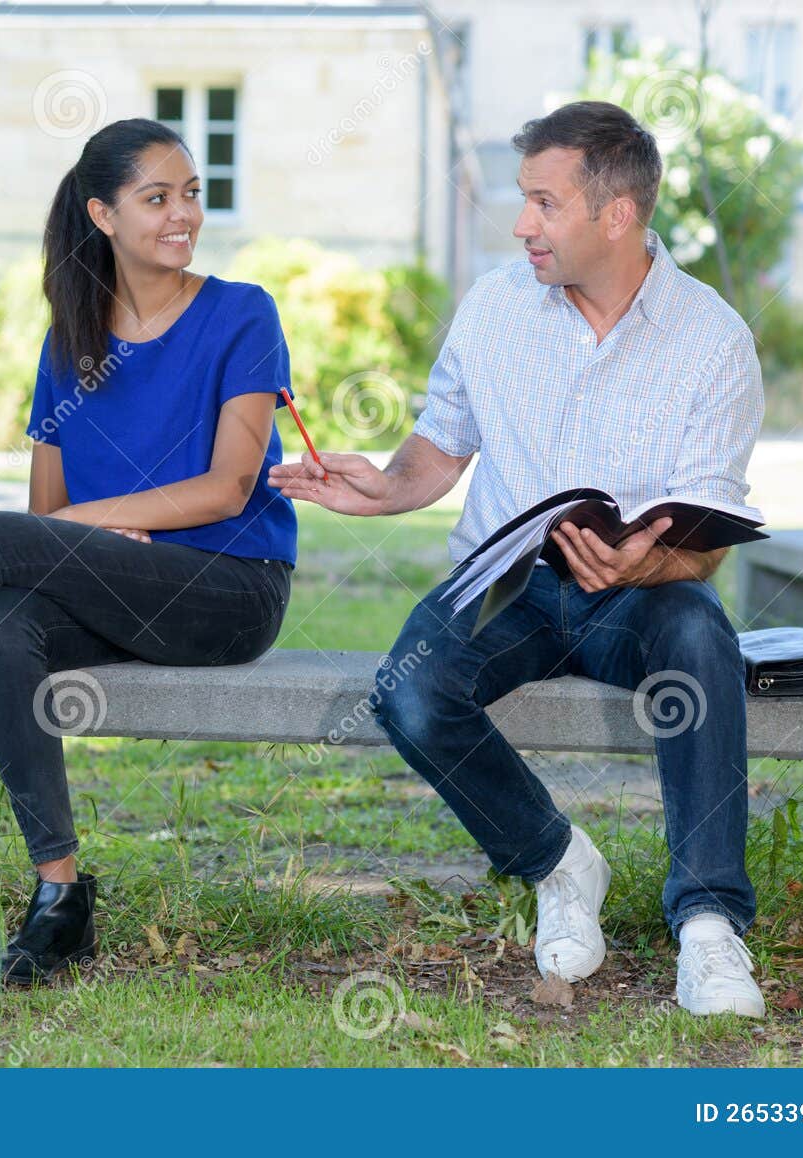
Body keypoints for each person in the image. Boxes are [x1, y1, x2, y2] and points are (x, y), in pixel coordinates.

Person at [271, 101, 767, 1018]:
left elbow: (701, 553)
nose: (521, 224)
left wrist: (640, 568)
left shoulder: (713, 340)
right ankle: (557, 862)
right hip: (508, 586)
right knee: (410, 690)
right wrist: (379, 488)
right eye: (522, 200)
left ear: (615, 216)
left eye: (543, 203)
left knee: (702, 640)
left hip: (638, 598)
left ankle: (707, 927)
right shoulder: (497, 305)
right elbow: (441, 448)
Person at [0, 117, 298, 986]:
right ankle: (60, 898)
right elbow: (46, 518)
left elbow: (229, 489)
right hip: (119, 588)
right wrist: (85, 528)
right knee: (1, 618)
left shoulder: (242, 313)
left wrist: (88, 520)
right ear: (102, 215)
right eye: (157, 197)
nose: (183, 213)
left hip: (230, 588)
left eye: (190, 193)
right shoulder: (69, 338)